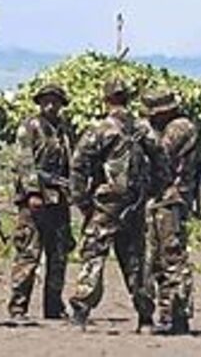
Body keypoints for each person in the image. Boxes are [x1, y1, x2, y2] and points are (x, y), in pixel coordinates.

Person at [66, 77, 170, 333]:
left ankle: (81, 310)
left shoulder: (101, 129)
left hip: (106, 203)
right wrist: (153, 192)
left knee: (93, 254)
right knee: (135, 258)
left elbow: (78, 165)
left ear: (106, 99)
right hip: (135, 203)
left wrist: (82, 201)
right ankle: (145, 316)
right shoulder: (143, 128)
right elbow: (162, 163)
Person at [8, 83, 76, 320]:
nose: (51, 105)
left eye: (55, 101)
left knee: (58, 255)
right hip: (35, 200)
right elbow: (24, 161)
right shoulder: (30, 127)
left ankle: (53, 306)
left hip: (59, 198)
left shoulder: (64, 129)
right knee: (28, 254)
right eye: (46, 100)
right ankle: (18, 307)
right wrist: (32, 192)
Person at [142, 88, 197, 335]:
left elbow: (160, 154)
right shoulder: (169, 127)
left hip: (172, 200)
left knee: (172, 258)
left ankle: (177, 314)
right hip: (161, 200)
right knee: (157, 261)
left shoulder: (180, 127)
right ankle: (167, 315)